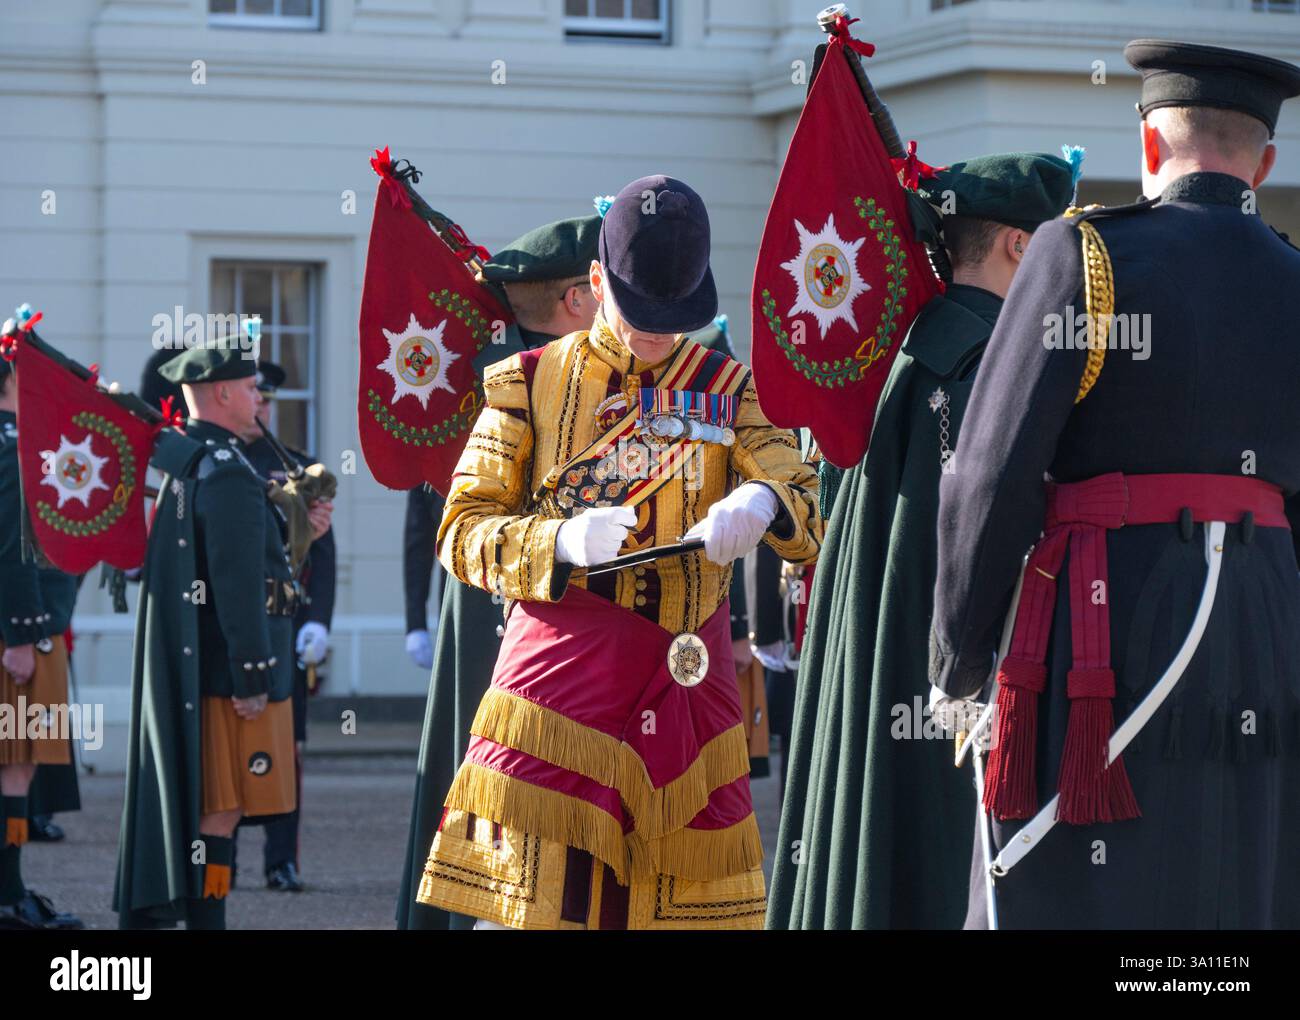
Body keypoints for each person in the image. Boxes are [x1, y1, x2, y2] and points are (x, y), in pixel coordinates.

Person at [929, 40, 1300, 929]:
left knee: (1085, 884)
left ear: (1146, 147)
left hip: (1107, 614)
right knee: (1239, 875)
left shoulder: (1083, 253)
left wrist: (960, 658)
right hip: (1269, 625)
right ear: (1266, 162)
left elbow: (990, 471)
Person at [415, 175, 822, 930]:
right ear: (596, 281)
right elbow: (459, 530)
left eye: (676, 318)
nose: (656, 336)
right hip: (560, 685)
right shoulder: (525, 384)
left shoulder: (733, 389)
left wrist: (764, 502)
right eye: (641, 314)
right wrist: (556, 541)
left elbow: (805, 502)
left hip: (685, 687)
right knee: (546, 911)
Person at [767, 152, 1079, 930]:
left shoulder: (918, 345)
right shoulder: (979, 363)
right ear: (1018, 247)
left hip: (897, 660)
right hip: (942, 672)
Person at [396, 210, 604, 930]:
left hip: (489, 621)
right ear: (577, 299)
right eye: (603, 285)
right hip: (530, 629)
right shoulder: (550, 388)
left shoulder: (488, 380)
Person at [114, 341, 332, 929]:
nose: (260, 397)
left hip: (204, 666)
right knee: (222, 811)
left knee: (216, 811)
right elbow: (237, 585)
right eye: (252, 387)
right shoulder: (228, 470)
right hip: (229, 675)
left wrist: (295, 529)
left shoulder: (193, 459)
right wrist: (252, 676)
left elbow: (238, 560)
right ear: (222, 393)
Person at [232, 359, 336, 893]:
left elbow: (327, 556)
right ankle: (217, 855)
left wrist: (319, 622)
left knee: (287, 750)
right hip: (232, 624)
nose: (261, 407)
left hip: (287, 625)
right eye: (255, 395)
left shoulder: (299, 467)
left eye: (267, 399)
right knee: (225, 744)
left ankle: (281, 860)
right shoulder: (219, 464)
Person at [0, 349, 82, 929]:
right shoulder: (12, 444)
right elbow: (13, 546)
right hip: (21, 631)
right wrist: (21, 633)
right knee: (16, 766)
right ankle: (9, 896)